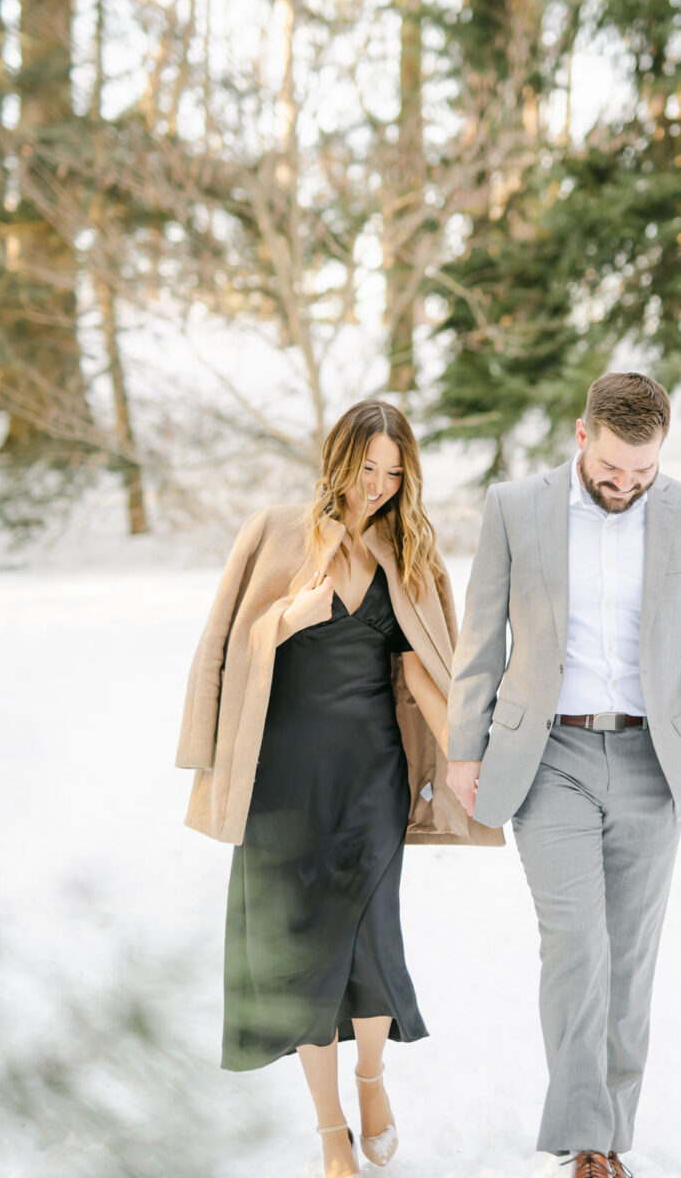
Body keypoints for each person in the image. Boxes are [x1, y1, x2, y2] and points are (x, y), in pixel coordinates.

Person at [176, 399, 502, 1178]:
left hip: (371, 778)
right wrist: (291, 615)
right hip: (280, 781)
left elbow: (428, 668)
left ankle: (371, 1078)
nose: (380, 487)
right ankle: (331, 1132)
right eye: (369, 470)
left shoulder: (411, 552)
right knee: (303, 956)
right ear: (339, 460)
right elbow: (226, 644)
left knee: (371, 938)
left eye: (395, 474)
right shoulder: (274, 531)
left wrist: (470, 758)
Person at [446, 372, 681, 1178]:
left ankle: (609, 1135)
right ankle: (583, 1139)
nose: (625, 486)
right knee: (577, 946)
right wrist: (465, 749)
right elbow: (479, 642)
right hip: (551, 760)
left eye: (641, 474)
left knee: (630, 955)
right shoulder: (516, 508)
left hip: (655, 763)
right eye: (613, 469)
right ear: (583, 436)